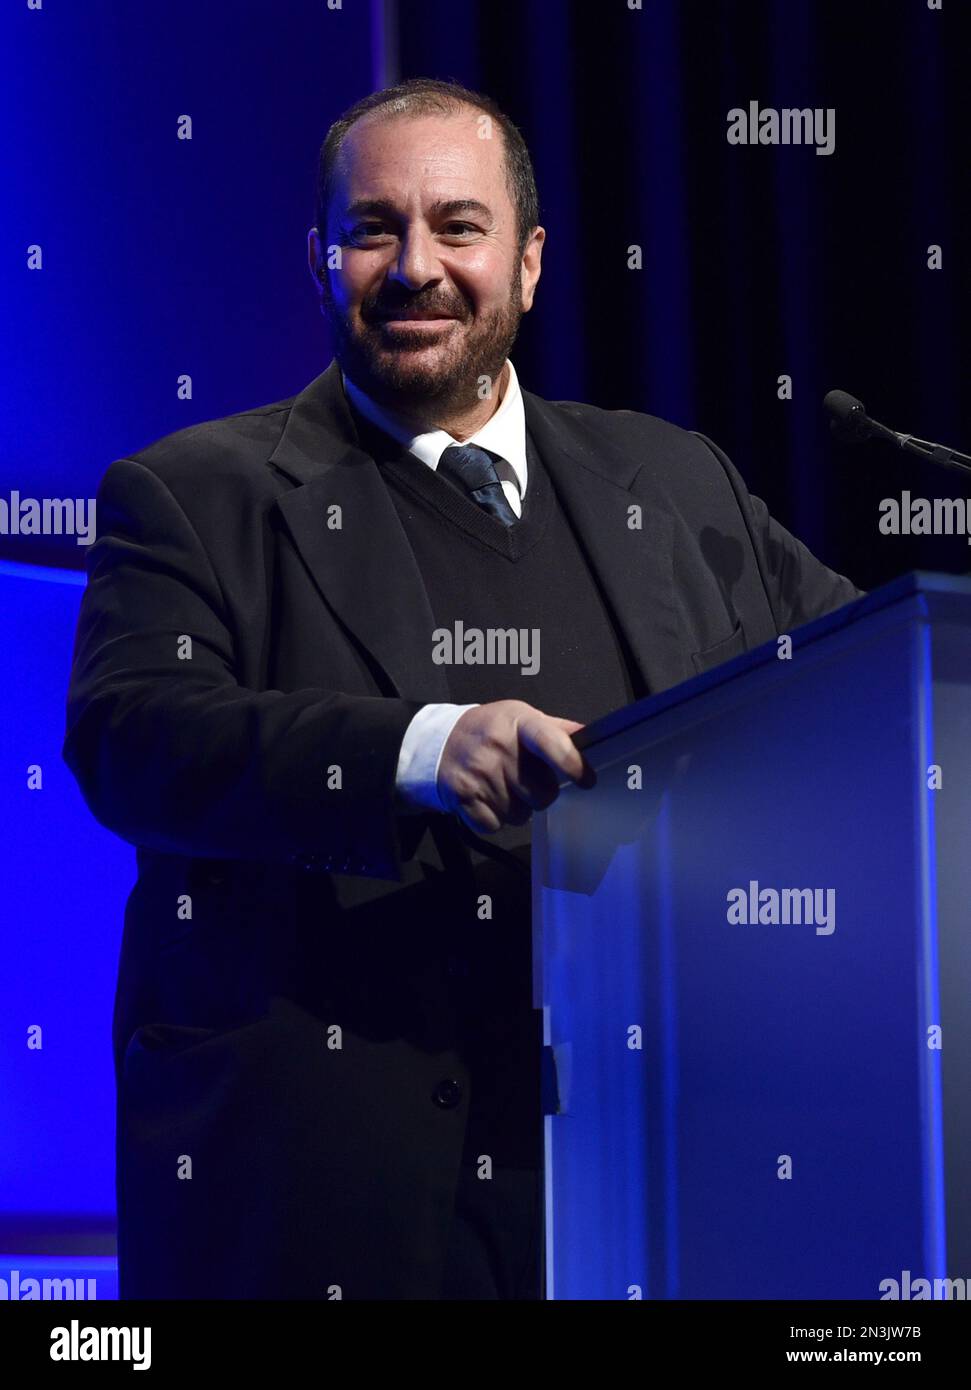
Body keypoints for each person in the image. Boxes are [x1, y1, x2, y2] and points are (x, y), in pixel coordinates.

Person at [62, 77, 862, 1300]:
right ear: (319, 260)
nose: (413, 265)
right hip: (326, 1197)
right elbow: (132, 739)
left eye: (456, 225)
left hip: (647, 1175)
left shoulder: (675, 484)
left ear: (529, 262)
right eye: (373, 228)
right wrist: (422, 748)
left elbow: (858, 675)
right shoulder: (193, 493)